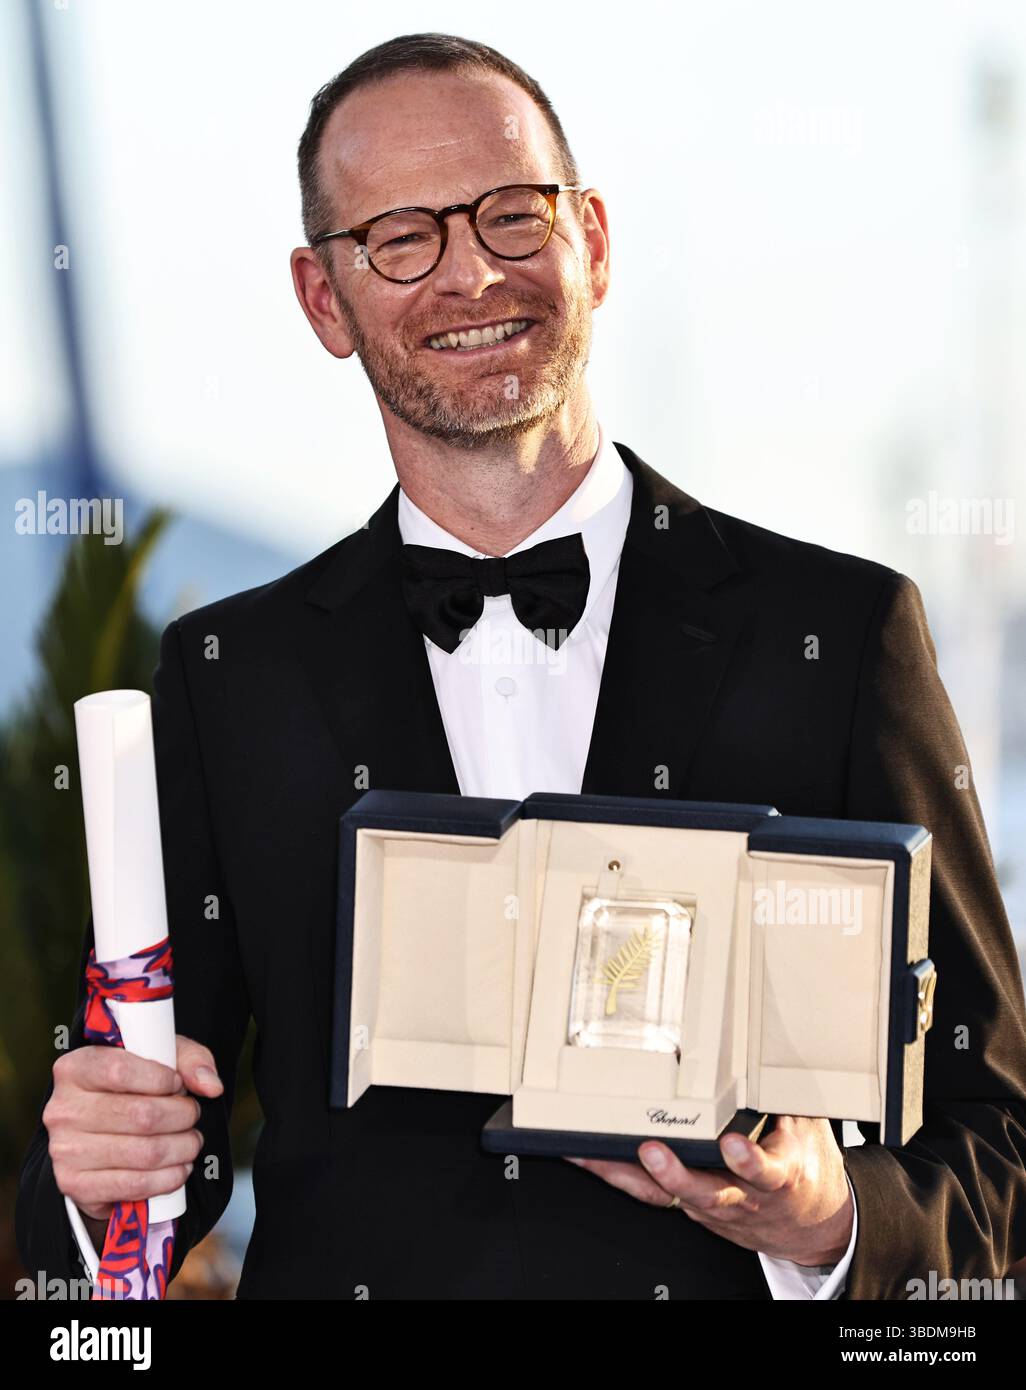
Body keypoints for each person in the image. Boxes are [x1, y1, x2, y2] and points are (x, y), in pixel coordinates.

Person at [17, 31, 1026, 1300]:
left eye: (510, 215)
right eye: (400, 238)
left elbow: (1000, 1144)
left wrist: (828, 1224)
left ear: (592, 242)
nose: (471, 272)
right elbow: (141, 1172)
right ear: (324, 299)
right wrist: (92, 1171)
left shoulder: (844, 631)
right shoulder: (227, 676)